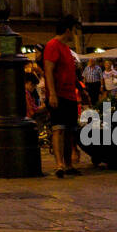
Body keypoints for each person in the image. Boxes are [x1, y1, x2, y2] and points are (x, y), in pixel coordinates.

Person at [43, 15, 81, 178]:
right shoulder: (53, 45)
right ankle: (59, 164)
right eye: (74, 30)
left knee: (69, 131)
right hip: (58, 94)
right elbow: (49, 70)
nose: (75, 34)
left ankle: (68, 164)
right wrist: (52, 93)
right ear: (67, 30)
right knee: (58, 129)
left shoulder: (66, 48)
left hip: (70, 95)